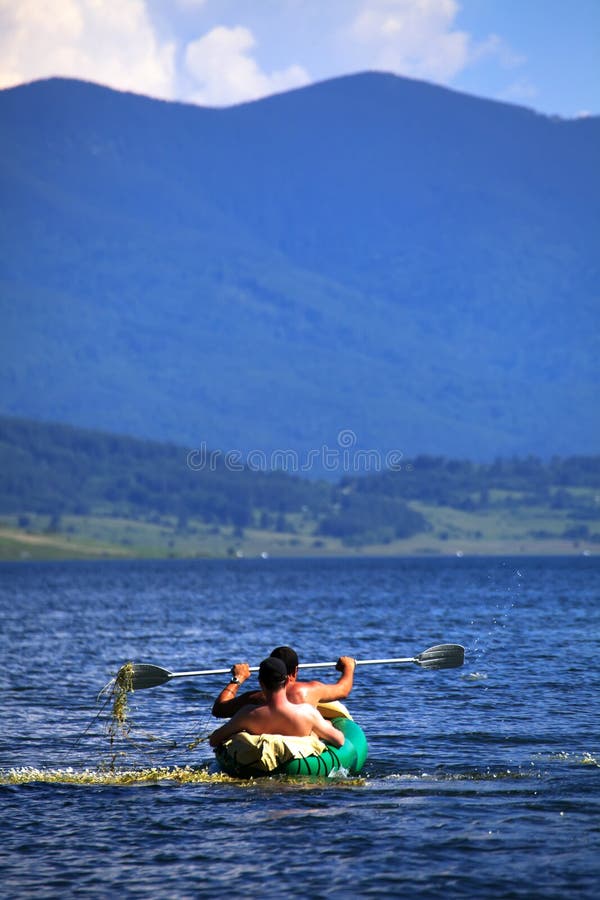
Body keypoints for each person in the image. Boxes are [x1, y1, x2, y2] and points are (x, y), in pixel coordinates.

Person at [209, 656, 345, 748]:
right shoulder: (307, 713)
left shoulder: (248, 714)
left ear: (261, 683)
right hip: (300, 779)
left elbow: (214, 740)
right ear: (286, 681)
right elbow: (339, 740)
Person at [211, 645, 356, 718]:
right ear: (295, 671)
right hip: (303, 752)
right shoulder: (311, 690)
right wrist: (348, 667)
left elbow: (219, 709)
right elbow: (344, 690)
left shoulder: (255, 698)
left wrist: (239, 678)